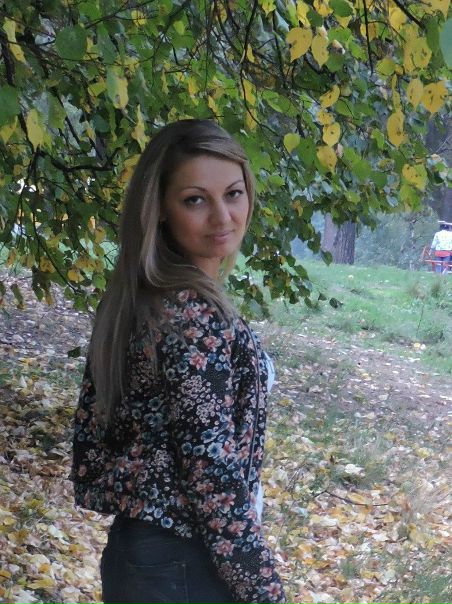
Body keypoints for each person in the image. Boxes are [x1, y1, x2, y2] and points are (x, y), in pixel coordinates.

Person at [70, 119, 287, 604]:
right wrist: (264, 589)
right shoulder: (190, 313)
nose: (222, 217)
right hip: (183, 561)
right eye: (195, 200)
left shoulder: (146, 299)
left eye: (233, 194)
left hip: (149, 554)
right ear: (161, 210)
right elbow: (210, 470)